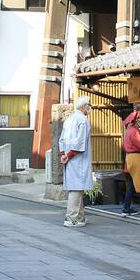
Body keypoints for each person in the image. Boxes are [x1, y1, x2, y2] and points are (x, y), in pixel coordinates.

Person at [59, 95, 92, 228]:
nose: (89, 108)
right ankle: (71, 217)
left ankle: (80, 217)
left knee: (77, 188)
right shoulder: (82, 120)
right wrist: (70, 154)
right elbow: (80, 142)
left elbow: (61, 139)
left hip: (69, 158)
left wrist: (63, 154)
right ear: (84, 106)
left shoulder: (69, 119)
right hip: (77, 159)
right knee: (76, 189)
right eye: (88, 105)